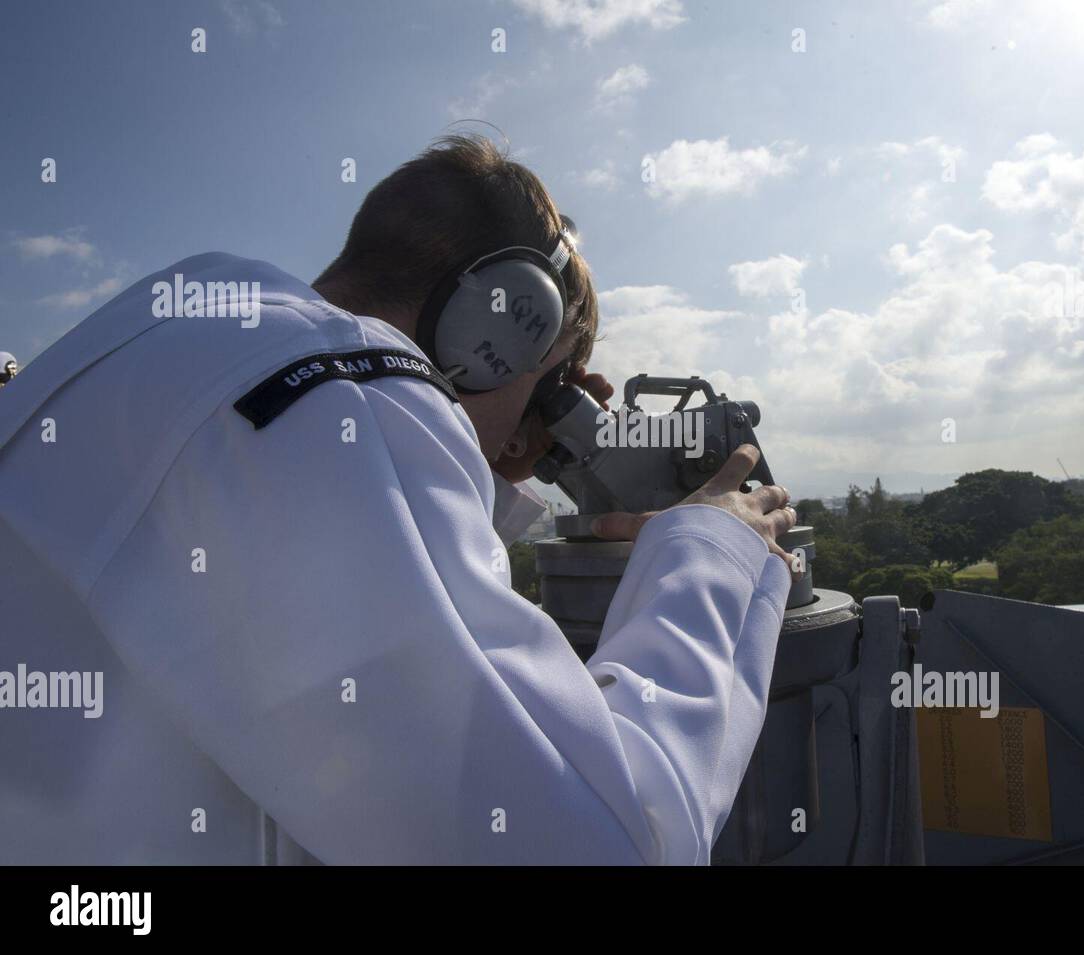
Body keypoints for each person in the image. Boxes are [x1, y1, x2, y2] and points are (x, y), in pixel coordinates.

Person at [0, 135, 796, 864]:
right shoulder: (339, 395)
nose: (537, 417)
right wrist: (708, 551)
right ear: (499, 327)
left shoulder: (185, 345)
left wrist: (495, 466)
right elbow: (618, 842)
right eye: (546, 378)